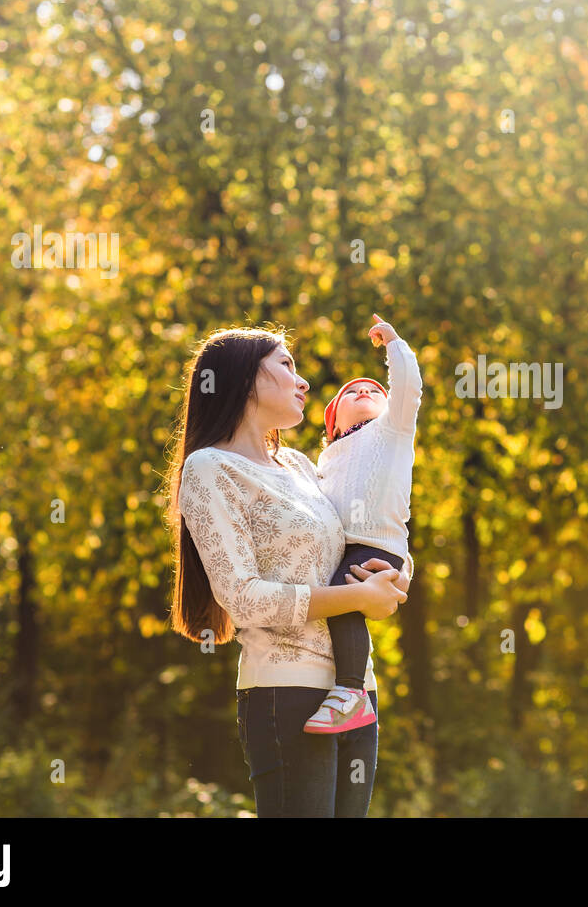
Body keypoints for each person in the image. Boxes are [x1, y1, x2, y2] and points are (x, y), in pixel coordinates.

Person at [165, 324, 412, 816]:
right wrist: (357, 599)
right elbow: (244, 597)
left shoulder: (300, 465)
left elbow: (364, 537)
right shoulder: (211, 468)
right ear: (243, 379)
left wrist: (396, 577)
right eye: (286, 365)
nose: (302, 381)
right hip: (286, 690)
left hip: (356, 689)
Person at [303, 313, 422, 734]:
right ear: (331, 422)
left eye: (374, 388)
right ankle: (349, 690)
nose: (366, 389)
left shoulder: (392, 431)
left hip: (378, 546)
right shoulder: (326, 458)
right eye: (352, 391)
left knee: (343, 600)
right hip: (345, 546)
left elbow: (408, 387)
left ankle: (351, 691)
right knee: (341, 600)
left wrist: (393, 342)